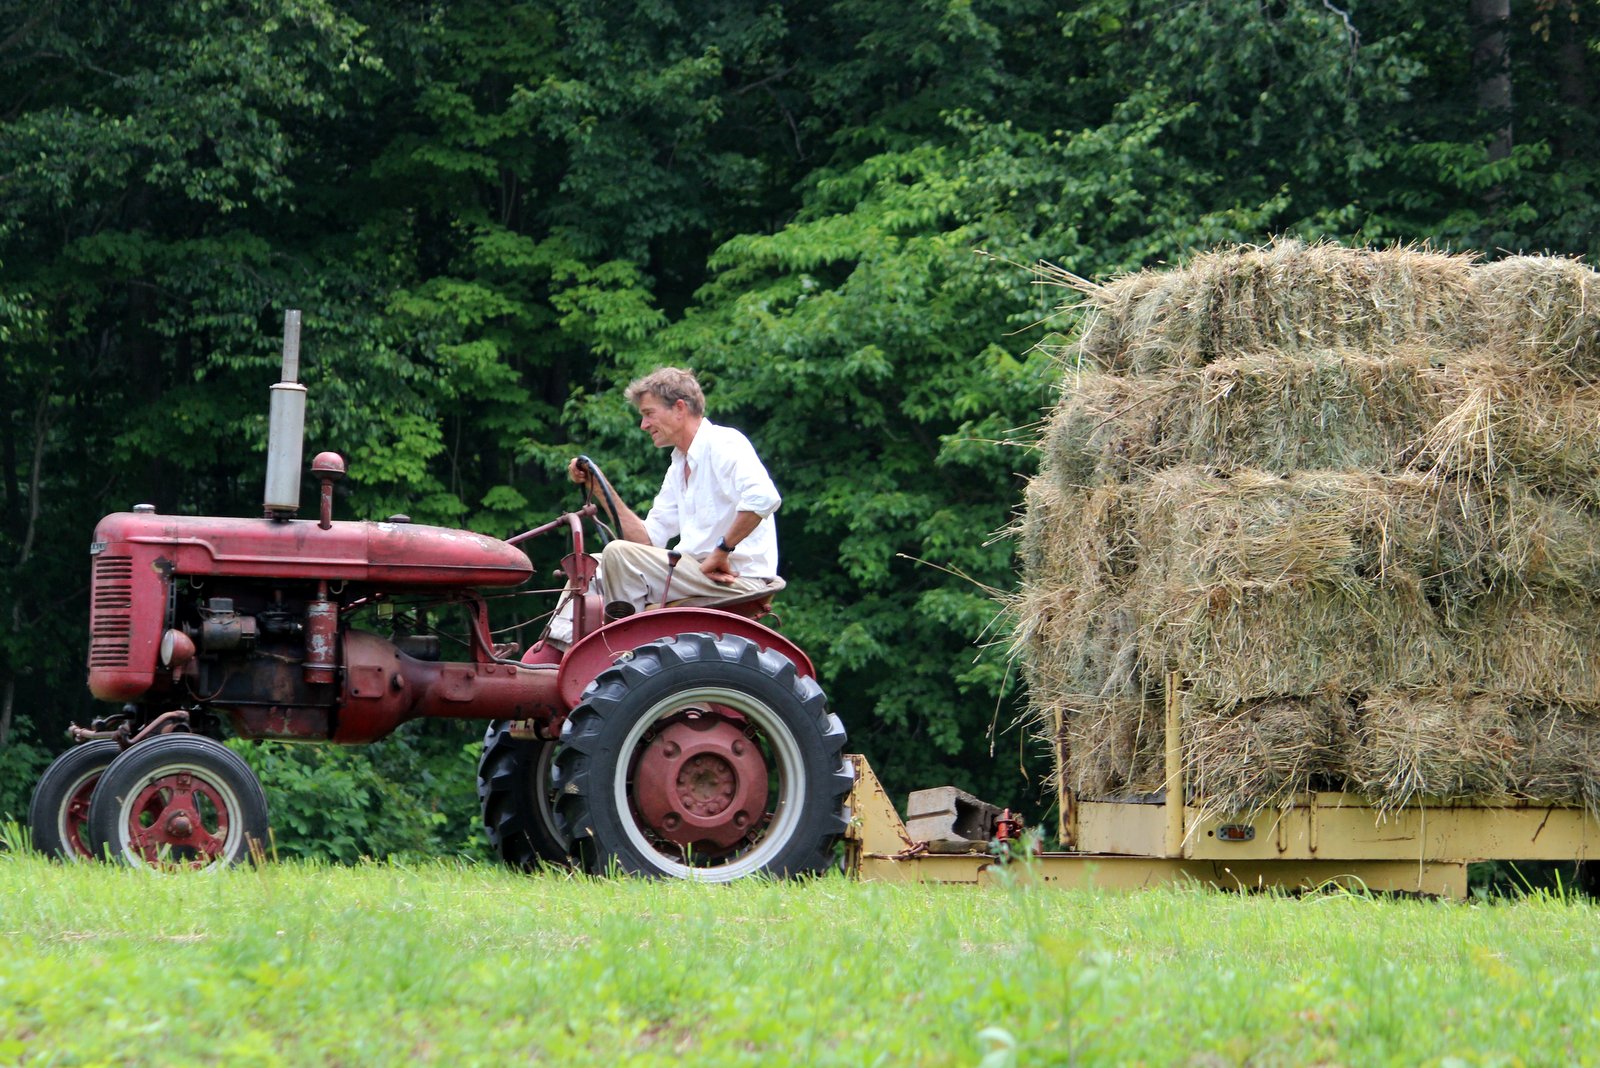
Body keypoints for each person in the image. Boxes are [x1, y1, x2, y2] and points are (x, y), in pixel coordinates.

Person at [545, 366, 781, 646]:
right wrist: (598, 488)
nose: (644, 425)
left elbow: (764, 497)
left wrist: (722, 550)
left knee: (617, 554)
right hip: (699, 574)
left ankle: (622, 653)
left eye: (648, 413)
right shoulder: (678, 463)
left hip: (737, 579)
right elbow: (646, 540)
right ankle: (553, 655)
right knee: (592, 566)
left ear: (679, 408)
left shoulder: (723, 443)